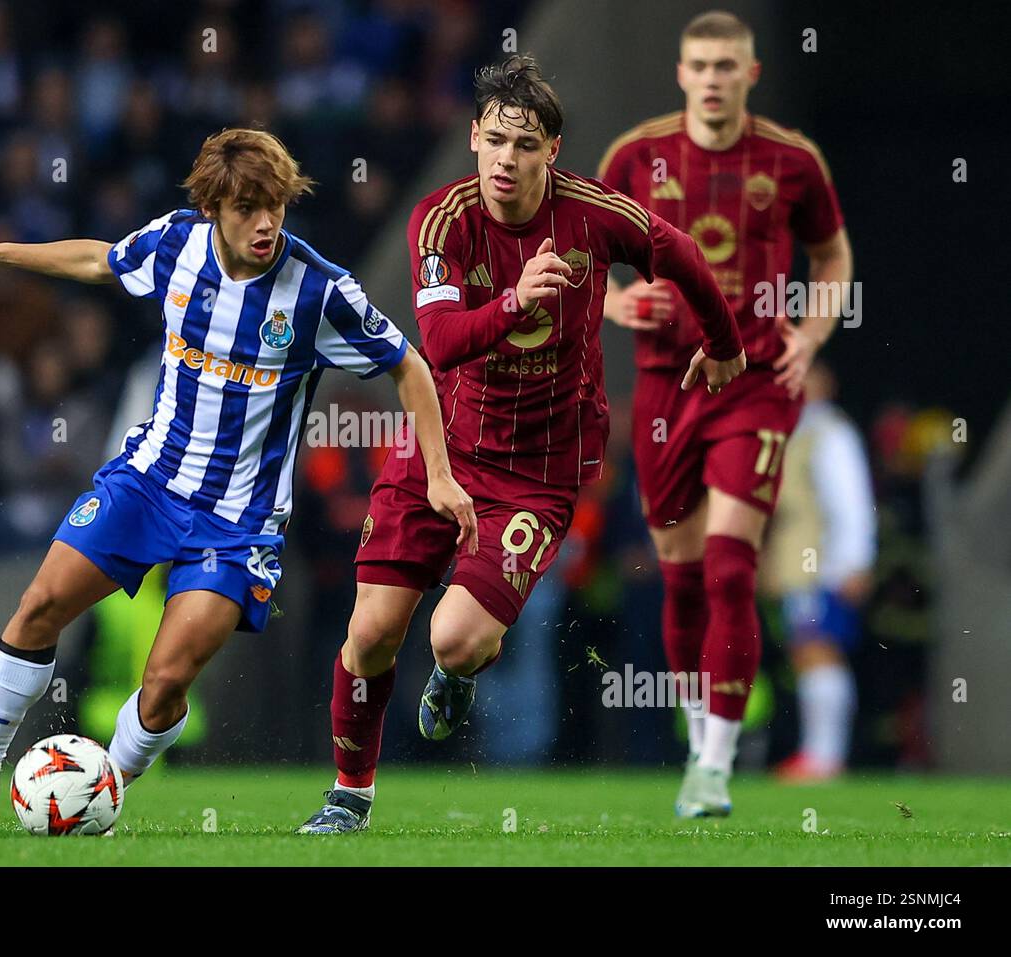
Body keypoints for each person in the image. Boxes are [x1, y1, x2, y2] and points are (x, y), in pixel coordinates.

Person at [0, 128, 475, 818]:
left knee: (166, 680)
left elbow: (410, 366)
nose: (265, 223)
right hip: (146, 483)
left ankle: (100, 794)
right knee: (40, 605)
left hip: (238, 521)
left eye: (276, 206)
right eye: (247, 208)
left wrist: (438, 473)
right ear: (213, 207)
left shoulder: (320, 291)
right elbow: (102, 260)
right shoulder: (176, 243)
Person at [298, 55, 745, 834]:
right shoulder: (441, 219)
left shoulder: (594, 214)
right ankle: (350, 795)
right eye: (496, 140)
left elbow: (682, 254)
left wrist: (725, 342)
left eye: (526, 144)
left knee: (459, 641)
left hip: (538, 473)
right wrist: (514, 299)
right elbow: (436, 342)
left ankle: (453, 671)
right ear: (473, 138)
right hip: (441, 450)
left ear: (552, 152)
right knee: (370, 634)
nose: (507, 158)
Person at [600, 10, 853, 815]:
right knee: (679, 579)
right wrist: (615, 299)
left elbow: (833, 254)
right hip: (666, 385)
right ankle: (697, 731)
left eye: (726, 65)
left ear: (751, 74)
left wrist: (810, 337)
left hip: (754, 382)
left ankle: (714, 764)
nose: (712, 78)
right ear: (681, 74)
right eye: (699, 64)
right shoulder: (636, 156)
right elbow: (579, 248)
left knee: (732, 562)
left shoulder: (790, 160)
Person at [762, 362, 875, 780]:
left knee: (818, 650)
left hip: (822, 565)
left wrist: (853, 562)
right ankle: (819, 754)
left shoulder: (830, 433)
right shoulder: (794, 430)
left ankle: (824, 757)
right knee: (806, 650)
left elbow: (851, 501)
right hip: (797, 565)